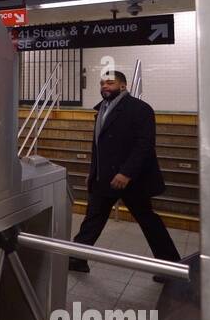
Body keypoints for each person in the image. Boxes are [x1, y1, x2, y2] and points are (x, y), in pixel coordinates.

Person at [69, 70, 181, 282]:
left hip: (131, 180)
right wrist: (93, 172)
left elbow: (144, 145)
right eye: (102, 83)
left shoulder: (140, 109)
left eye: (110, 83)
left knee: (148, 220)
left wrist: (126, 172)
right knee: (93, 219)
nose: (104, 87)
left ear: (123, 86)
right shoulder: (101, 110)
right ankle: (77, 258)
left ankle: (171, 267)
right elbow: (98, 147)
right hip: (104, 178)